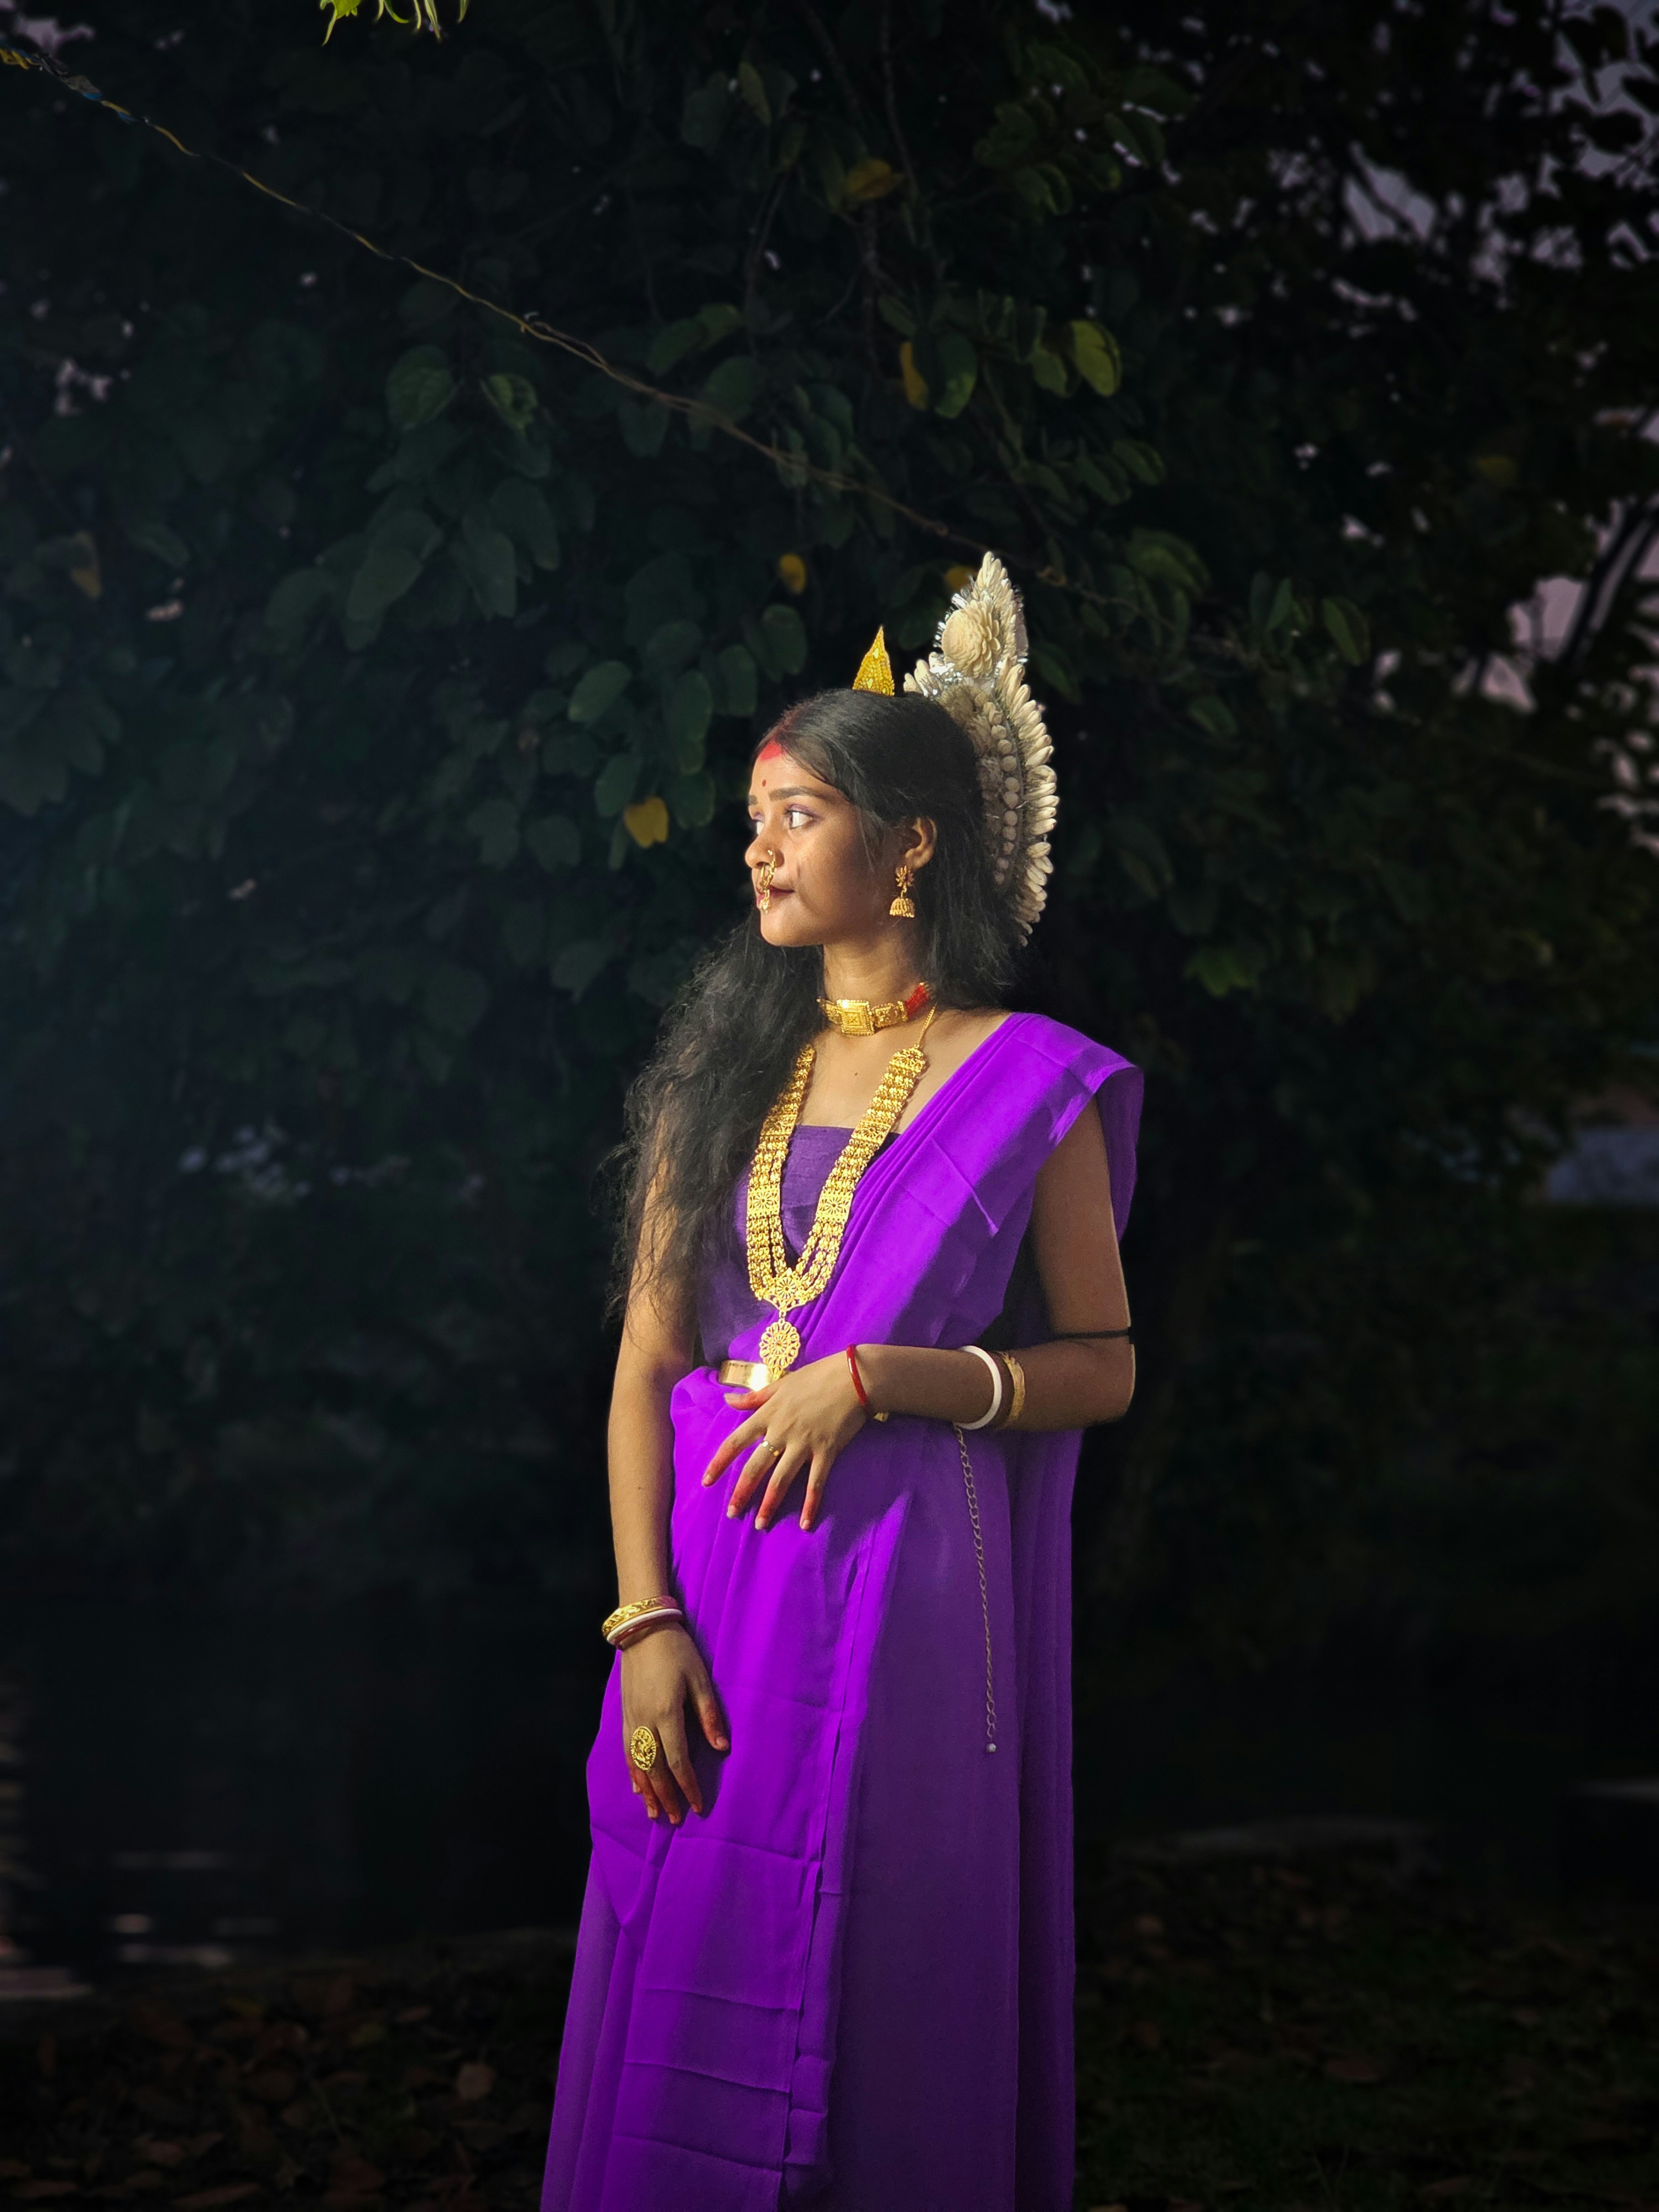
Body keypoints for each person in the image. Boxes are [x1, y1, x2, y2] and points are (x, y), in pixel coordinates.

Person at [542, 555, 1142, 2212]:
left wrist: (882, 1377)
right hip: (716, 1615)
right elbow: (648, 1366)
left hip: (915, 1626)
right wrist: (644, 1622)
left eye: (800, 814)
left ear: (913, 841)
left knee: (887, 1998)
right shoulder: (714, 1083)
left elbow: (1103, 1366)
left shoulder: (1035, 1084)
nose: (761, 846)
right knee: (692, 1996)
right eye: (759, 817)